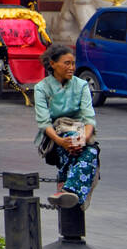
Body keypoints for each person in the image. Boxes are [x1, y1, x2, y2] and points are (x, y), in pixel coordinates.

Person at [34, 44, 99, 208]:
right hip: (55, 136)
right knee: (81, 151)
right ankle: (73, 192)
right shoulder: (41, 88)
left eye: (73, 63)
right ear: (53, 64)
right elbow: (44, 122)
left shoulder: (81, 85)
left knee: (89, 151)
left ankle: (66, 191)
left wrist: (82, 139)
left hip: (80, 134)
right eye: (67, 63)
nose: (71, 68)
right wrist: (61, 141)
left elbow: (89, 118)